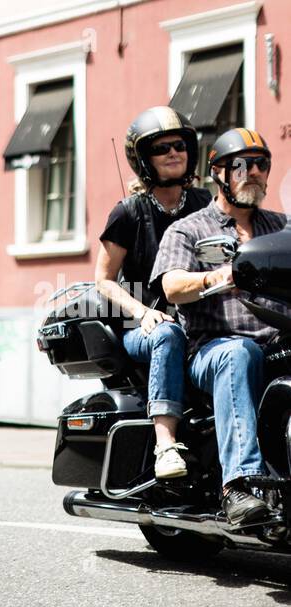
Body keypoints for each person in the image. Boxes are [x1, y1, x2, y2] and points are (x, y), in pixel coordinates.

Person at [154, 127, 289, 527]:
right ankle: (238, 486)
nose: (254, 173)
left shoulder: (281, 228)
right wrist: (222, 275)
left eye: (261, 165)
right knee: (239, 352)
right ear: (219, 173)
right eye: (241, 166)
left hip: (276, 341)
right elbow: (172, 286)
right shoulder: (190, 230)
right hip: (213, 350)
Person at [96, 108, 211, 480]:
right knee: (166, 334)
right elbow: (104, 279)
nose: (173, 153)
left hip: (202, 320)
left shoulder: (204, 203)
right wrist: (143, 312)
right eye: (162, 149)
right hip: (144, 331)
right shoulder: (128, 212)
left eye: (180, 145)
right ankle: (165, 444)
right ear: (144, 159)